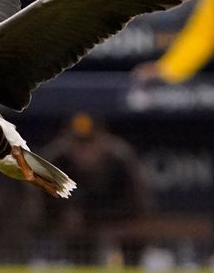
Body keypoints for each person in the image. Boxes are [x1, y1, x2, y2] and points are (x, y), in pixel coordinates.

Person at [40, 113, 153, 264]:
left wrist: (115, 223)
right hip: (77, 231)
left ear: (103, 139)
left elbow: (140, 206)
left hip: (117, 221)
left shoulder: (120, 161)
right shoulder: (56, 162)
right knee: (76, 242)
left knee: (131, 243)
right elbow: (40, 206)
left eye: (90, 143)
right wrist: (61, 217)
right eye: (79, 144)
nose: (85, 150)